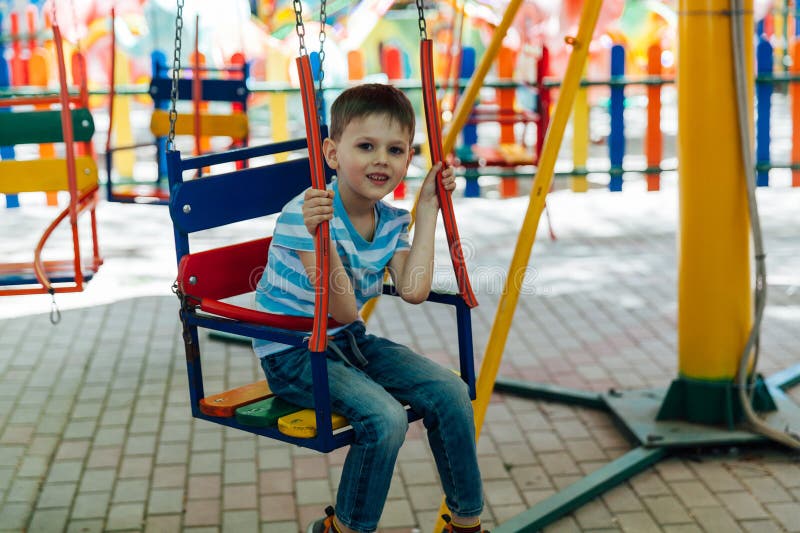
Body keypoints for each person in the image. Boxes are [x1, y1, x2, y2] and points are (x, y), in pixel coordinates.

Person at [253, 83, 485, 533]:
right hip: (294, 352)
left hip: (347, 342)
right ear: (332, 154)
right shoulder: (303, 215)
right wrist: (325, 236)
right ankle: (343, 529)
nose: (382, 159)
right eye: (366, 146)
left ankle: (466, 523)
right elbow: (340, 309)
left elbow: (414, 290)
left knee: (451, 393)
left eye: (395, 150)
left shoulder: (391, 220)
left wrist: (429, 209)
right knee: (384, 418)